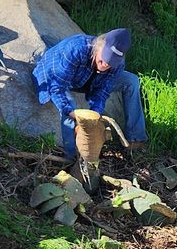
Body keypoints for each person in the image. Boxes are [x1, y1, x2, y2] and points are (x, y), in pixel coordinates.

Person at [31, 28, 147, 158]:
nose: (104, 66)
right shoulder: (76, 49)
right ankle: (71, 156)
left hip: (89, 81)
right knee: (70, 107)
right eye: (102, 60)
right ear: (99, 46)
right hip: (59, 78)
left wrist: (95, 113)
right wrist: (69, 111)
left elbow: (103, 90)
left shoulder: (118, 64)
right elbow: (57, 87)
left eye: (110, 64)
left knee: (132, 80)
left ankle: (135, 140)